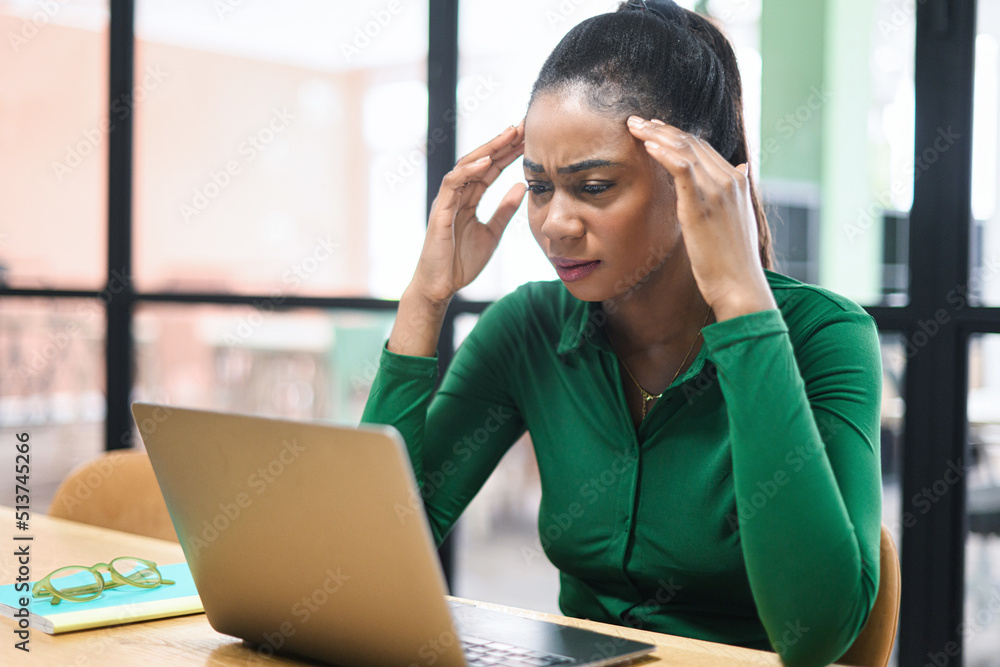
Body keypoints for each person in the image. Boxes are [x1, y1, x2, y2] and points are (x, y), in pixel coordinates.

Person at [361, 2, 883, 666]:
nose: (555, 224)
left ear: (695, 179)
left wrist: (742, 302)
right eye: (540, 186)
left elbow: (816, 634)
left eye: (595, 186)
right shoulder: (528, 328)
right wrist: (424, 297)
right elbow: (372, 557)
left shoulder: (825, 336)